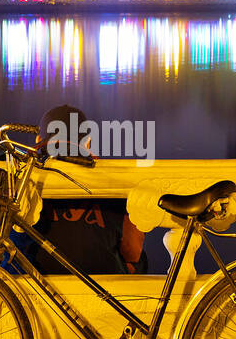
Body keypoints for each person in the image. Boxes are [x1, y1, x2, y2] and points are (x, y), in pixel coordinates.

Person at [13, 105, 147, 276]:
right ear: (88, 143)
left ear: (39, 140)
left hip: (39, 281)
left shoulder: (24, 178)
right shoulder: (112, 179)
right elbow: (132, 251)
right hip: (104, 281)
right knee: (139, 262)